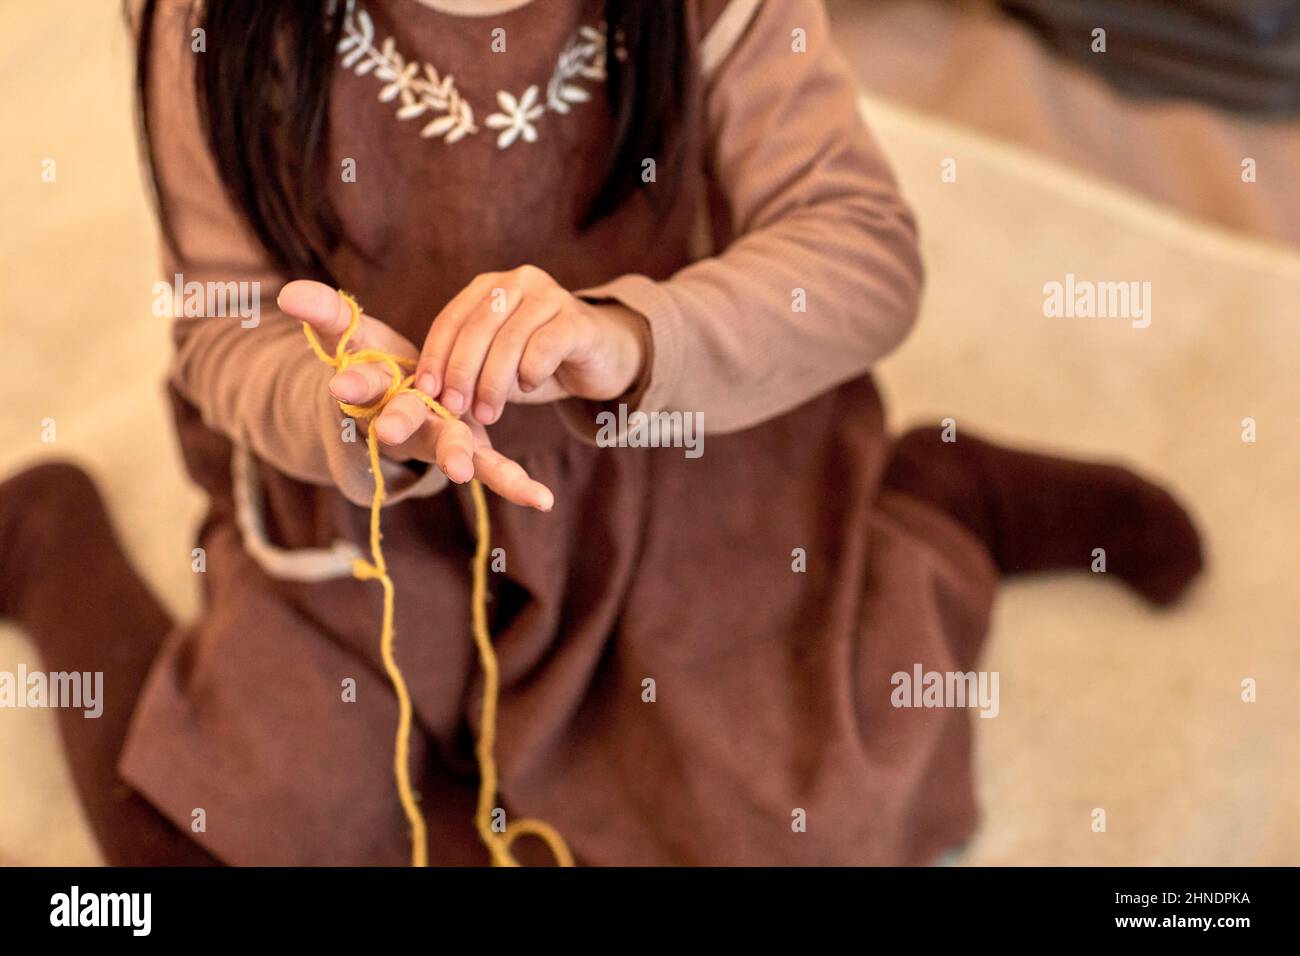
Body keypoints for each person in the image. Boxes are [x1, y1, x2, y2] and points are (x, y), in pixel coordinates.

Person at [0, 0, 1201, 866]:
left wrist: (632, 340)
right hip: (366, 504)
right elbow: (222, 329)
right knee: (196, 837)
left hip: (675, 460)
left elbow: (864, 254)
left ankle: (936, 493)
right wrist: (350, 415)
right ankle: (47, 532)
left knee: (811, 822)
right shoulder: (204, 25)